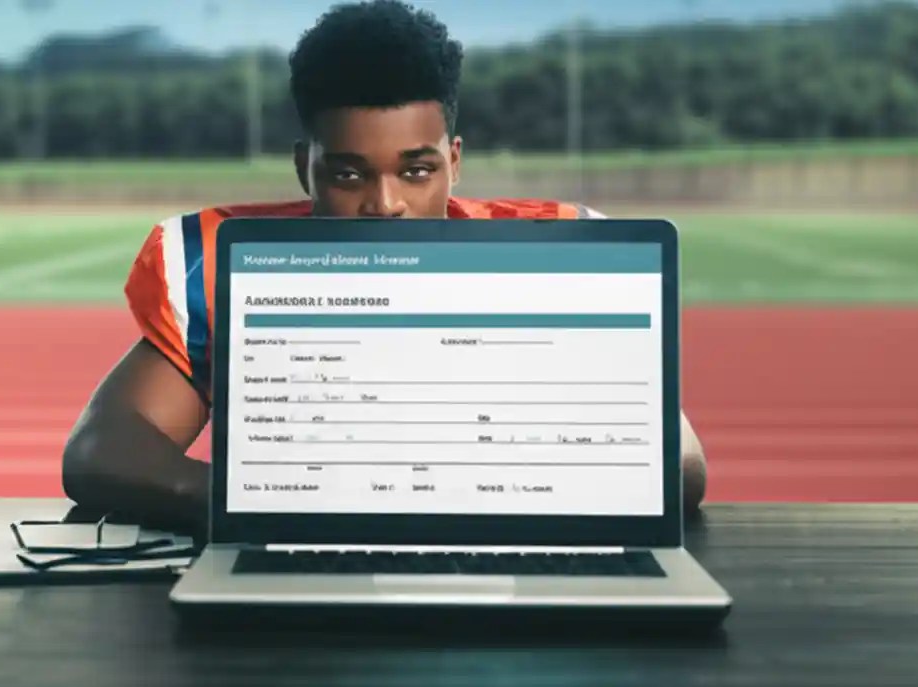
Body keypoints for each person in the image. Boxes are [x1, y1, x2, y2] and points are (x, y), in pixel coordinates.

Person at [61, 0, 707, 537]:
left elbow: (679, 461)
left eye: (416, 170)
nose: (386, 204)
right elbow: (103, 448)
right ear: (302, 167)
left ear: (455, 162)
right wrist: (273, 505)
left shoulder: (555, 249)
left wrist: (498, 494)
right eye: (348, 173)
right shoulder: (235, 263)